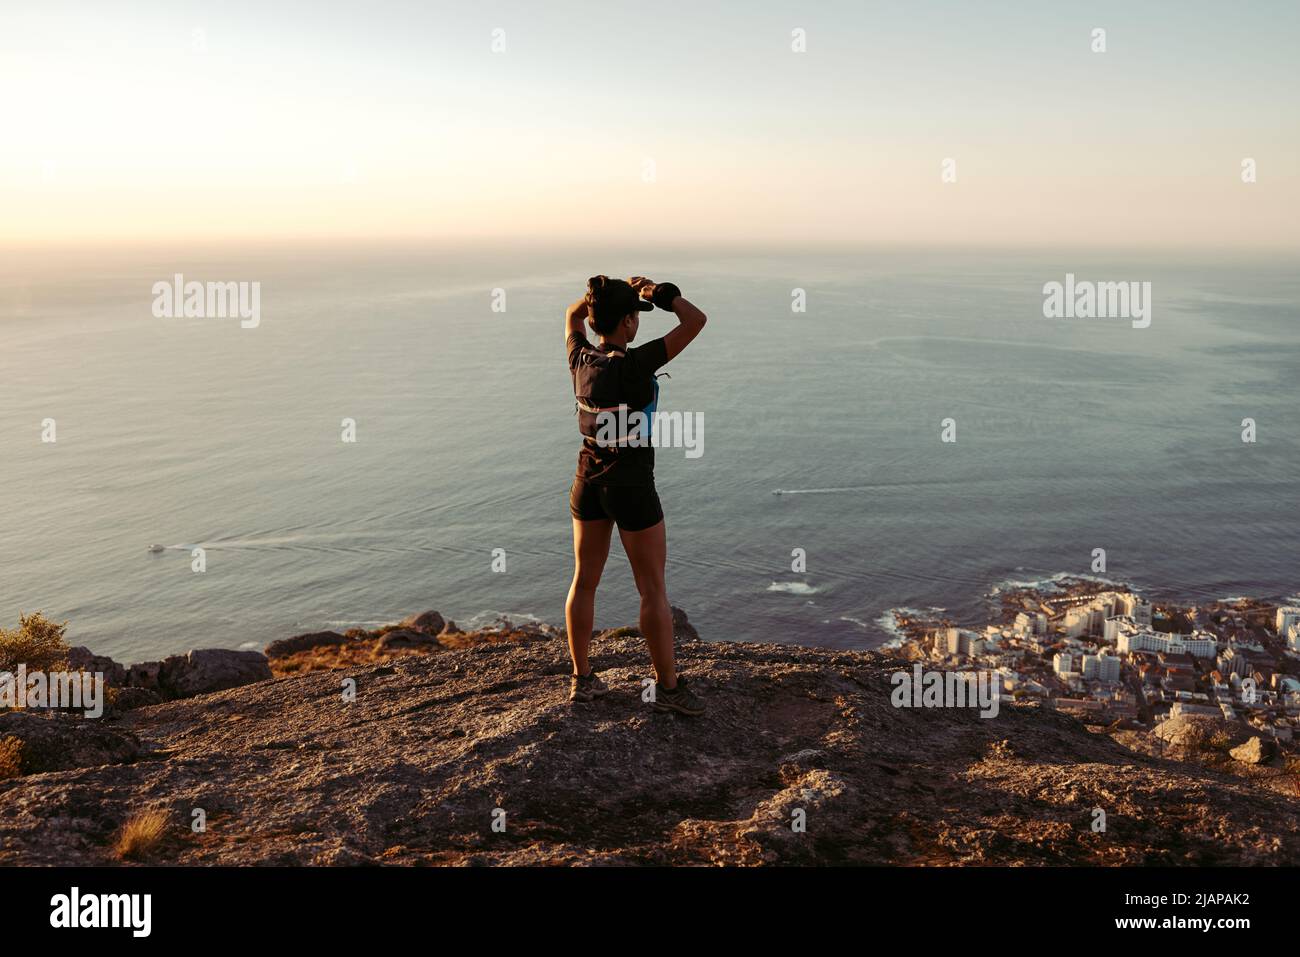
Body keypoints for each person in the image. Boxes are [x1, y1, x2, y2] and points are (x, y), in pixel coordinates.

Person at [564, 275, 707, 715]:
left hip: (588, 484)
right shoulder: (638, 363)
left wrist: (597, 301)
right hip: (633, 488)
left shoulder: (580, 358)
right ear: (628, 322)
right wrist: (657, 294)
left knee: (584, 581)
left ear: (593, 319)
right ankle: (668, 690)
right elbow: (695, 320)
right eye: (634, 317)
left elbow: (572, 316)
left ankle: (582, 679)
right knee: (652, 590)